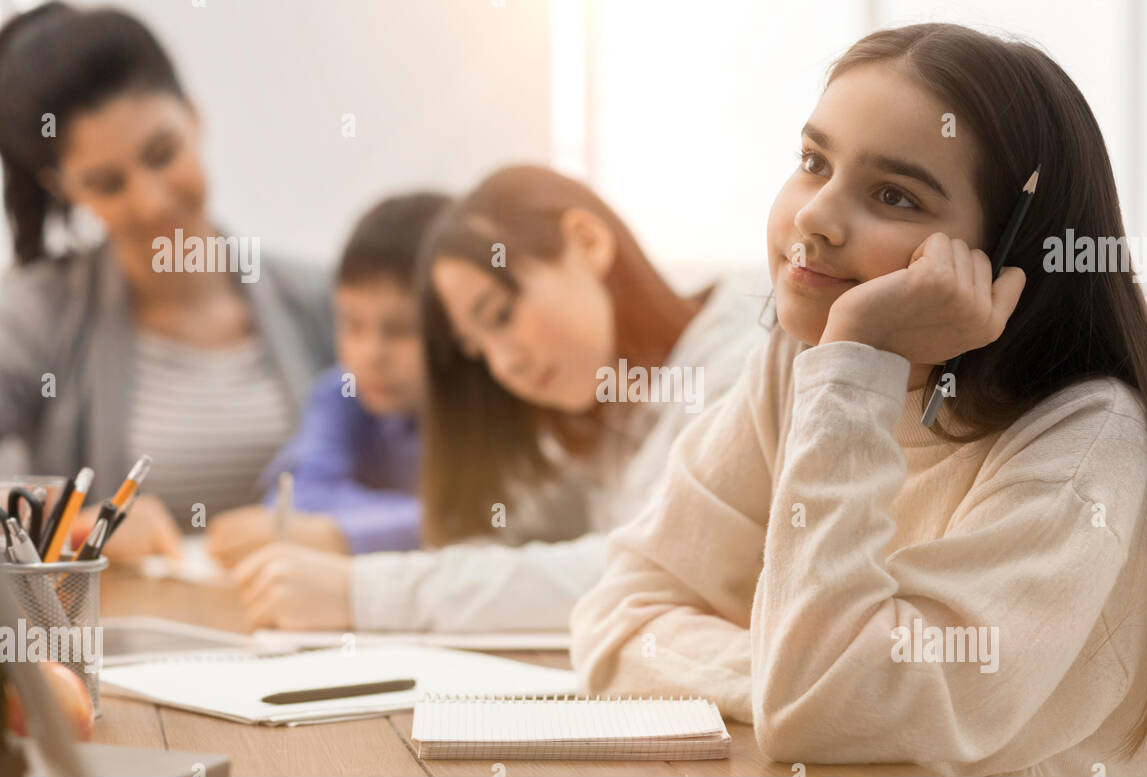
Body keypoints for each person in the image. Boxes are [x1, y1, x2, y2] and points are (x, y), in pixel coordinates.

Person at [568, 23, 1147, 775]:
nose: (816, 215)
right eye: (813, 161)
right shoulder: (803, 368)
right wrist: (778, 674)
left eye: (895, 194)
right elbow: (617, 620)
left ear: (1005, 252)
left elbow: (828, 703)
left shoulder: (1083, 442)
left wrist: (857, 362)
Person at [230, 165, 769, 631]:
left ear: (587, 243)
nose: (503, 363)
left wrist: (364, 592)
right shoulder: (605, 417)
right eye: (478, 347)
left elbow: (642, 574)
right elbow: (505, 532)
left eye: (501, 316)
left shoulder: (743, 362)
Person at [0, 3, 333, 562]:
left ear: (196, 118)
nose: (150, 202)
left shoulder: (322, 303)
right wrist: (74, 523)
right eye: (106, 184)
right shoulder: (34, 317)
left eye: (162, 153)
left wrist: (335, 532)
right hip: (129, 642)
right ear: (63, 188)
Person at [207, 193, 450, 564]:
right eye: (352, 324)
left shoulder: (488, 413)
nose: (371, 354)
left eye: (402, 330)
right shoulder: (340, 393)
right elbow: (298, 495)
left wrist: (336, 534)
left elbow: (481, 522)